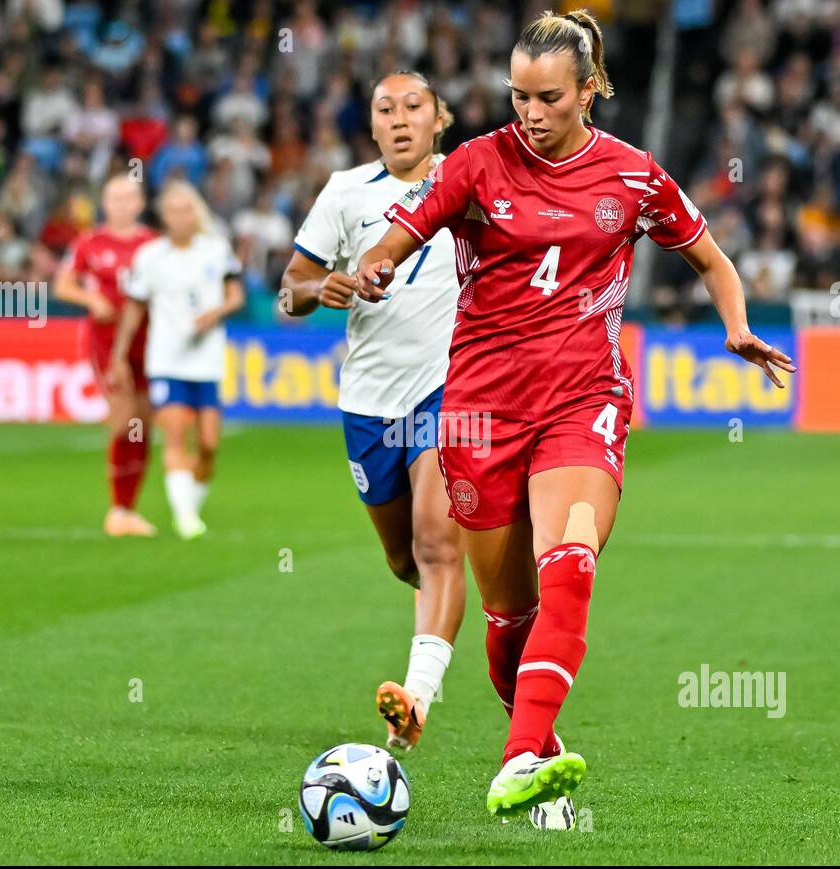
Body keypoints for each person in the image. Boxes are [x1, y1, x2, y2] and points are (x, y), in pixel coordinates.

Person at [355, 9, 796, 820]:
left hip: (582, 400)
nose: (529, 111)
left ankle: (518, 756)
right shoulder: (479, 164)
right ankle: (543, 755)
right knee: (510, 619)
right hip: (480, 415)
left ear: (588, 90)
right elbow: (402, 233)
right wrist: (375, 267)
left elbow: (708, 254)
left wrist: (735, 324)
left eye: (548, 97)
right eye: (517, 94)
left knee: (573, 559)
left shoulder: (631, 177)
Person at [281, 71, 466, 756]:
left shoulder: (470, 181)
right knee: (404, 560)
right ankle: (454, 601)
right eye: (384, 109)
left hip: (448, 391)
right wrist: (313, 290)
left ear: (439, 117)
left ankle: (416, 697)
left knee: (436, 542)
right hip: (367, 404)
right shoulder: (344, 192)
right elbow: (286, 292)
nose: (398, 119)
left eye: (412, 106)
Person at [110, 181, 245, 540]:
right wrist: (120, 355)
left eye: (186, 209)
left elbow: (236, 295)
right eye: (172, 210)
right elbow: (134, 308)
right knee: (173, 434)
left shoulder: (216, 250)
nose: (179, 217)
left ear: (196, 213)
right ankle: (185, 518)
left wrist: (215, 313)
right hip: (166, 360)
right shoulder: (151, 256)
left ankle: (190, 507)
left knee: (209, 444)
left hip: (207, 361)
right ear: (164, 215)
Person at [53, 175, 158, 537]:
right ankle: (117, 509)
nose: (121, 204)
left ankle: (129, 509)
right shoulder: (89, 243)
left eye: (128, 197)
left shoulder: (153, 245)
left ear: (140, 203)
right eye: (114, 197)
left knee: (142, 425)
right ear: (105, 202)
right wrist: (91, 299)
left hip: (150, 342)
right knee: (124, 417)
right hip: (106, 342)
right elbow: (63, 284)